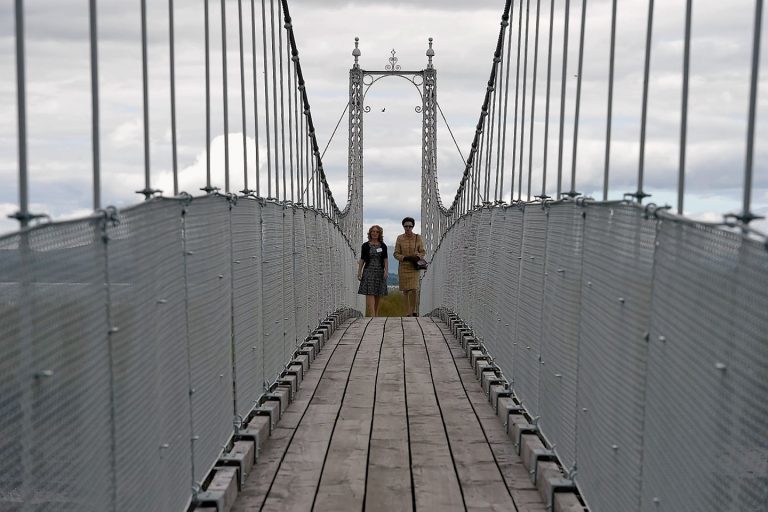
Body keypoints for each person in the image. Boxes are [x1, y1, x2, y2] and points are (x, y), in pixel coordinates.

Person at [394, 216, 425, 317]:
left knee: (414, 289)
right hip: (403, 266)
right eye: (406, 226)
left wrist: (417, 256)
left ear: (413, 227)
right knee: (405, 290)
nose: (408, 228)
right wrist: (404, 258)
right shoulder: (399, 238)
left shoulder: (418, 237)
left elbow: (423, 251)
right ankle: (407, 312)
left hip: (414, 266)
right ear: (403, 226)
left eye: (410, 226)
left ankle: (414, 310)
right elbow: (396, 253)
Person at [357, 225, 389, 317]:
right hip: (368, 271)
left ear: (379, 234)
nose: (375, 233)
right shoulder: (365, 246)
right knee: (370, 292)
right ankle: (372, 314)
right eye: (373, 231)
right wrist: (359, 272)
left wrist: (386, 271)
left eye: (377, 232)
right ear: (370, 233)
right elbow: (362, 259)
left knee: (378, 292)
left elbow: (385, 259)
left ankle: (376, 313)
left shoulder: (383, 246)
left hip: (379, 271)